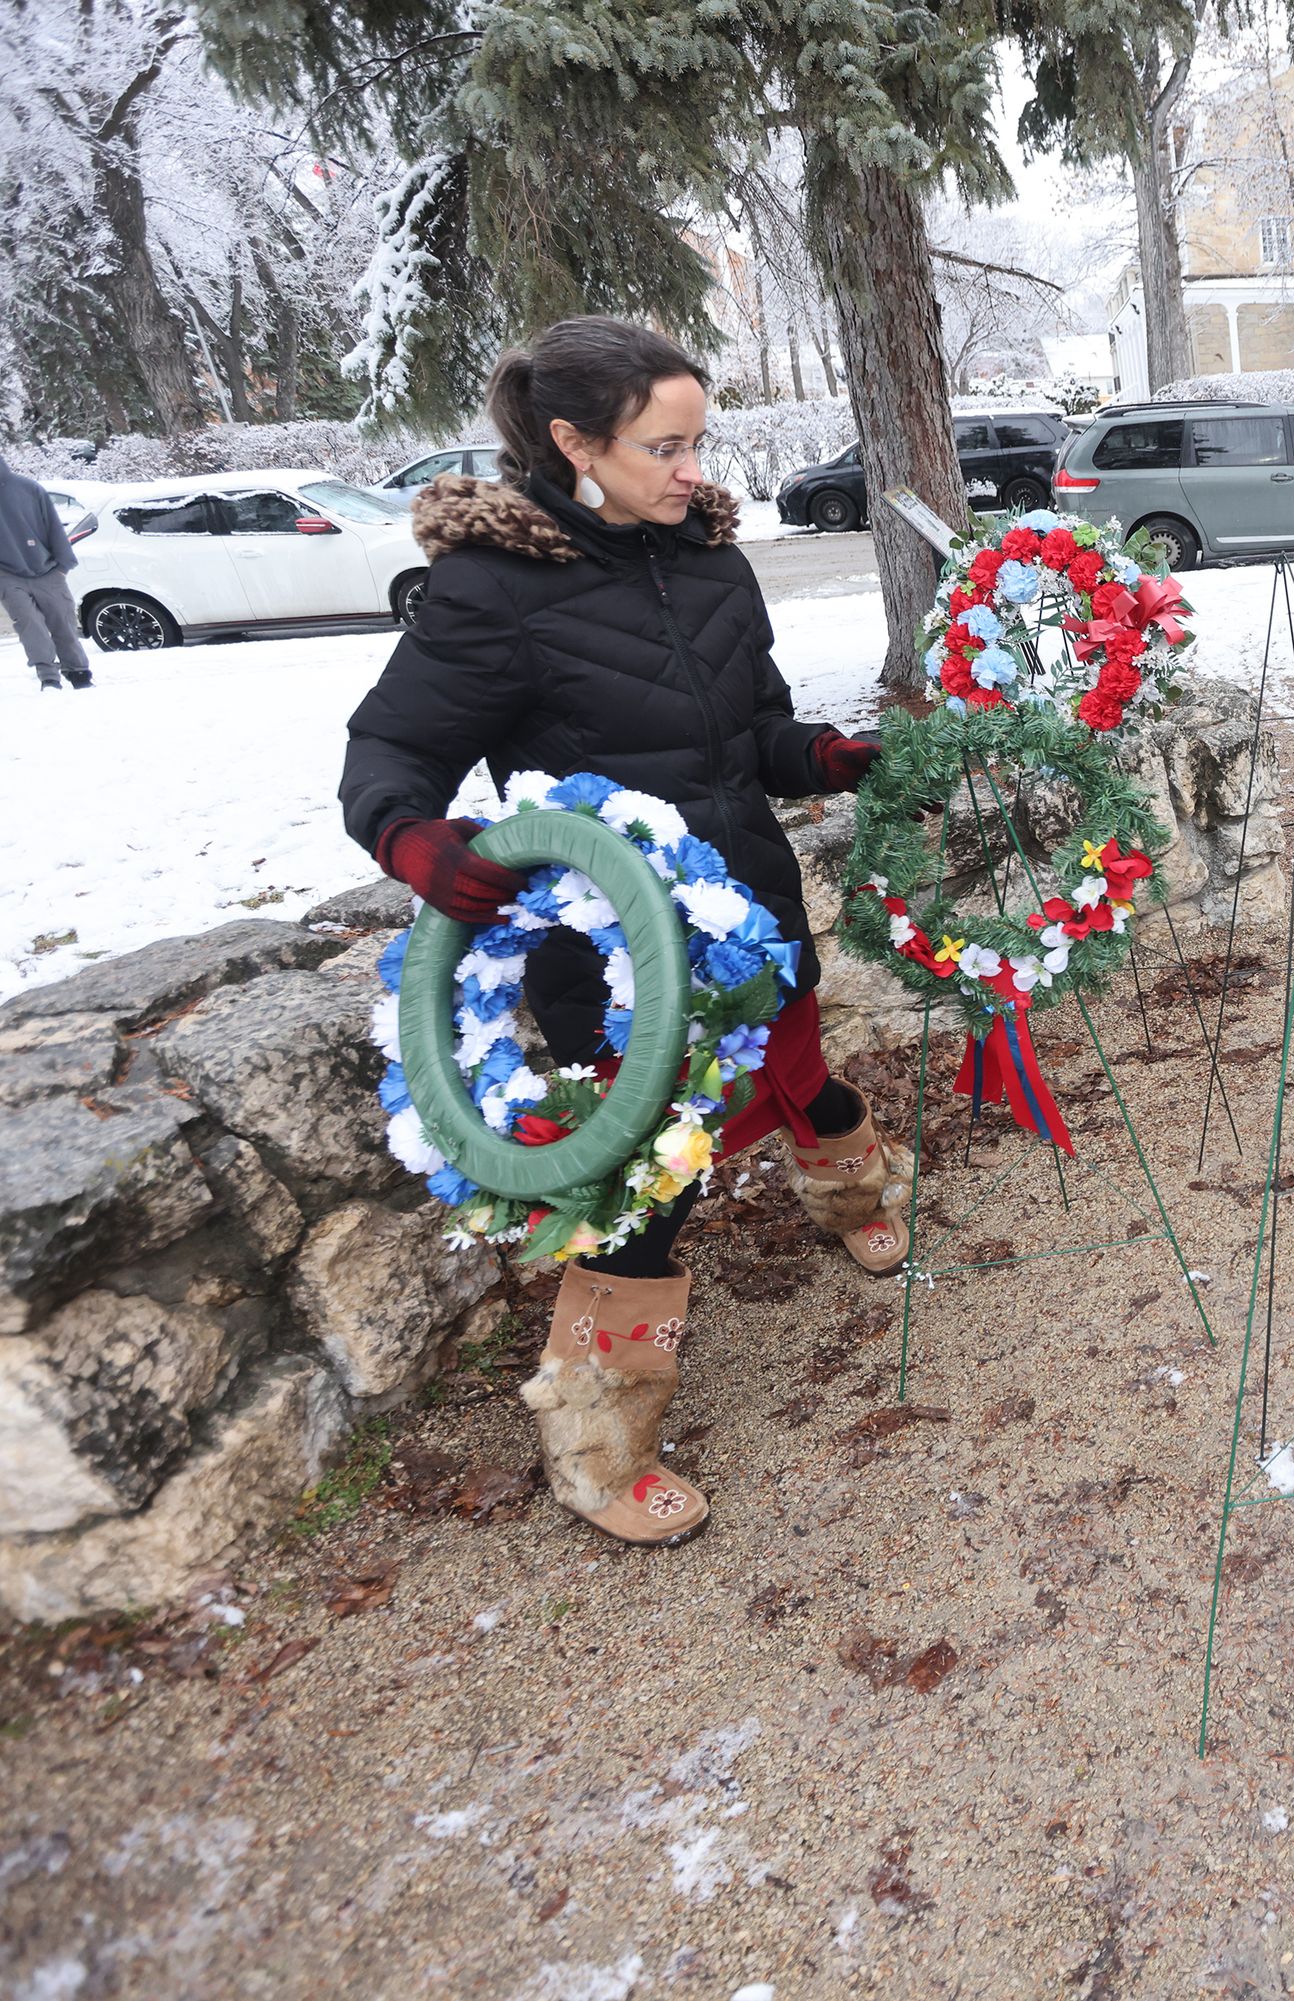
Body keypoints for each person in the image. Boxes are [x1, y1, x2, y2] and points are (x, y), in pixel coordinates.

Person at [340, 316, 901, 1550]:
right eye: (666, 445)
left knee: (802, 1071)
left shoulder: (707, 558)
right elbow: (388, 751)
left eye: (699, 441)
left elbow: (751, 728)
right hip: (617, 960)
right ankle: (598, 1443)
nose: (695, 469)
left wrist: (817, 754)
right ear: (573, 443)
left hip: (748, 911)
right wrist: (412, 840)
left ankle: (847, 1188)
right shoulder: (492, 590)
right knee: (646, 1198)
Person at [0, 460, 96, 689]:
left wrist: (63, 565)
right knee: (30, 626)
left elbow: (52, 525)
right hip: (6, 575)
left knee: (63, 622)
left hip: (48, 569)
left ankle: (79, 673)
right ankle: (49, 678)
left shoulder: (27, 488)